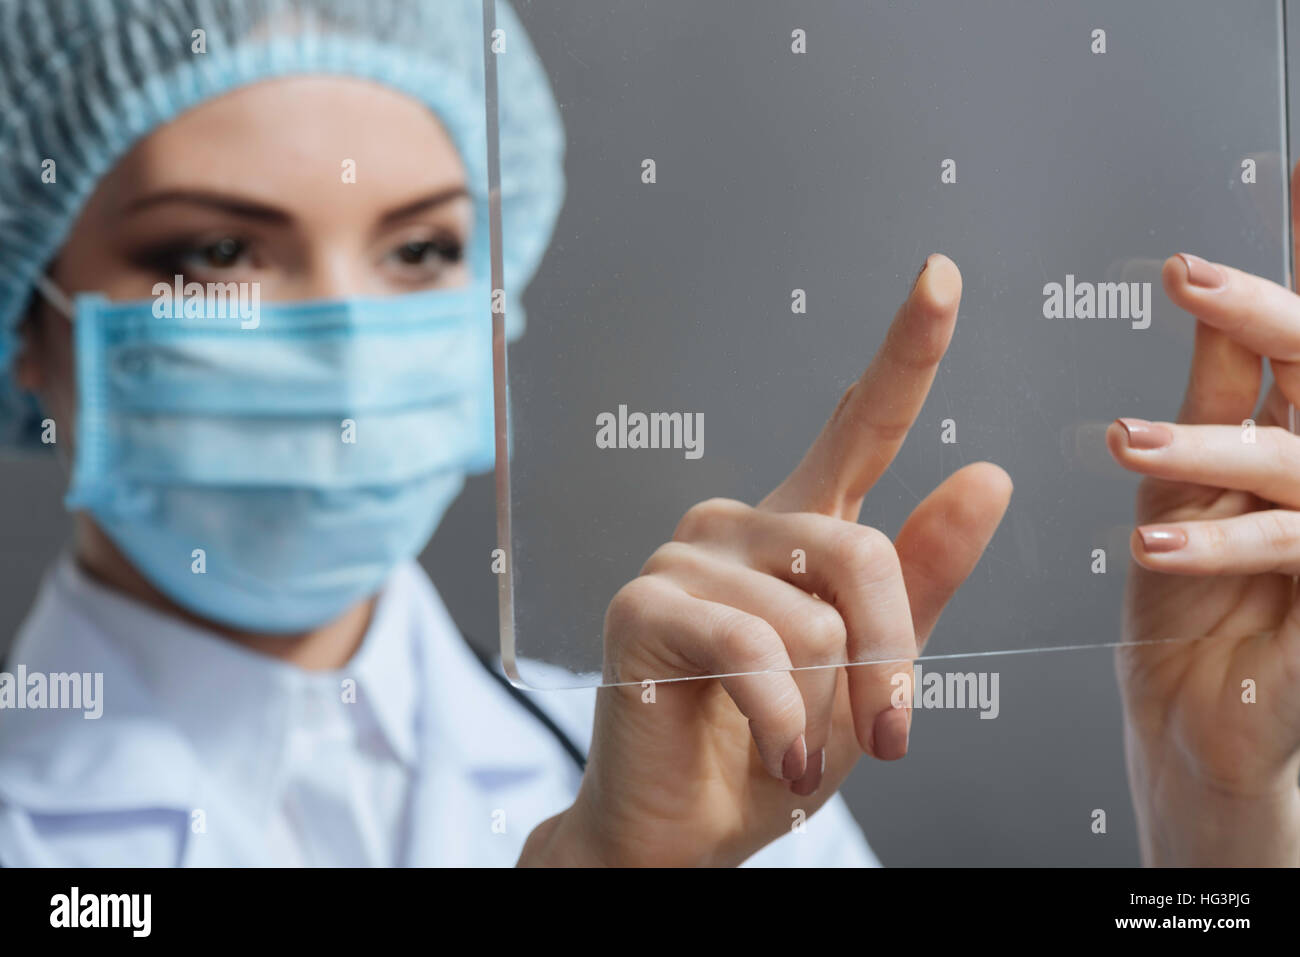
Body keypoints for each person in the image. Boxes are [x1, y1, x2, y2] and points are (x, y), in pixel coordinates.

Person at [0, 0, 1294, 868]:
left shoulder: (723, 756)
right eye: (215, 251)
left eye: (424, 248)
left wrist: (1217, 826)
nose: (345, 339)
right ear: (26, 325)